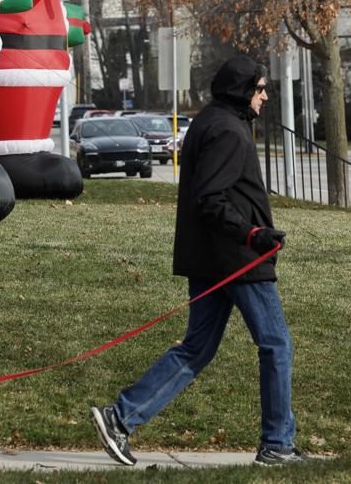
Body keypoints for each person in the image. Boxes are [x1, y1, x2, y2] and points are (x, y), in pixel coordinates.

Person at [89, 55, 305, 467]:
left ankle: (121, 418)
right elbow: (210, 199)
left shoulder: (214, 121)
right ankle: (278, 445)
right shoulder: (227, 130)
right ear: (241, 90)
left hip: (211, 259)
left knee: (195, 349)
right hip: (237, 260)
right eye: (260, 88)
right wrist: (252, 234)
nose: (264, 96)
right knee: (276, 345)